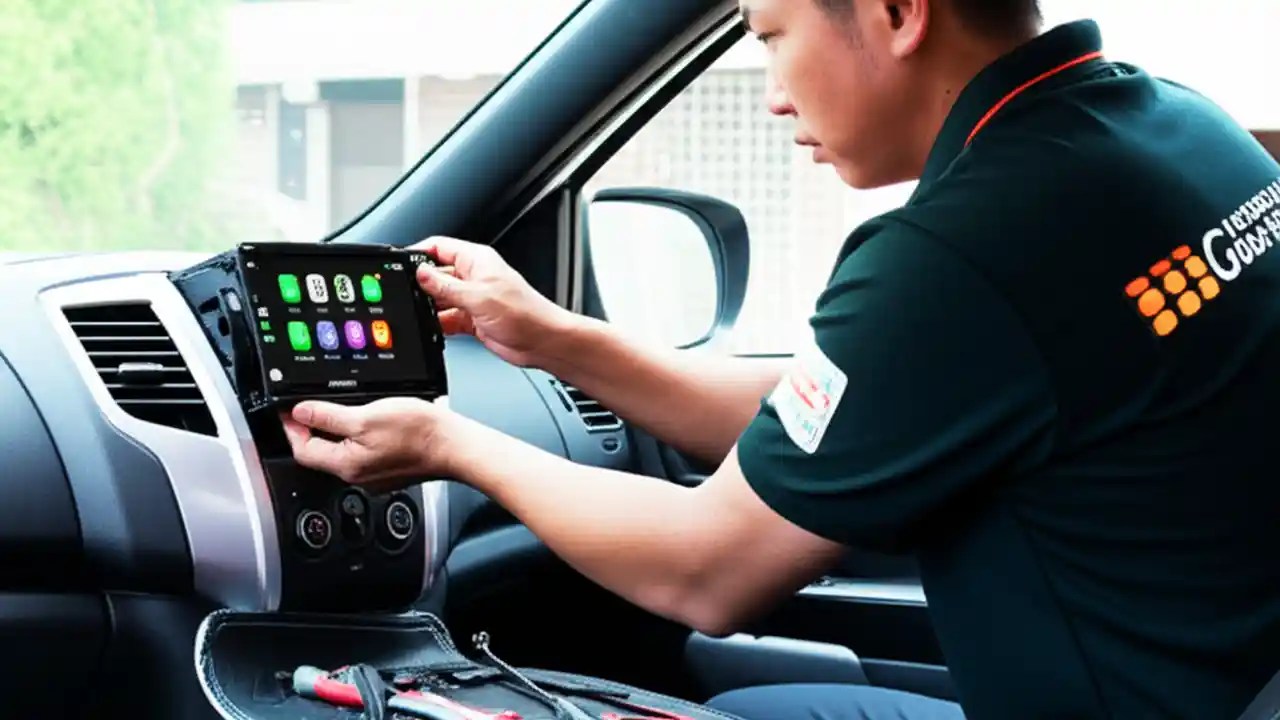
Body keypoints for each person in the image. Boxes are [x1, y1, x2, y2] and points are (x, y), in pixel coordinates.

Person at [281, 0, 1280, 718]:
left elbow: (707, 570)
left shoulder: (962, 249)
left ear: (896, 13)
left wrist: (448, 442)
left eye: (770, 37)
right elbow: (853, 411)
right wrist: (550, 336)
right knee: (752, 685)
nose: (771, 96)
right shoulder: (1168, 132)